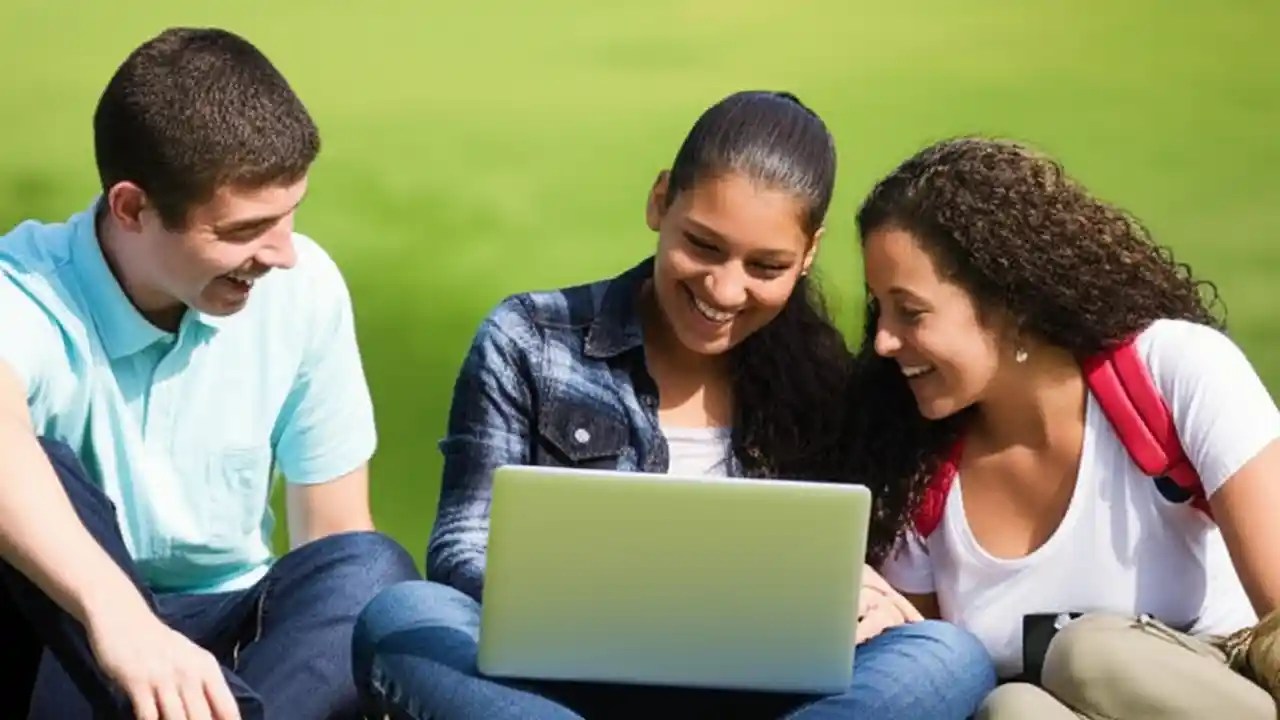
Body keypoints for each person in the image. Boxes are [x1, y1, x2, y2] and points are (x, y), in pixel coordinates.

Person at [352, 90, 996, 719]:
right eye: (704, 245)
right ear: (661, 200)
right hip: (556, 684)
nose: (724, 288)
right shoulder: (528, 338)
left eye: (765, 267)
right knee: (403, 619)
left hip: (763, 693)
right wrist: (599, 609)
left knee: (948, 657)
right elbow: (463, 543)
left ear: (809, 255)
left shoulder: (827, 381)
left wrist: (871, 603)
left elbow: (851, 563)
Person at [0, 27, 420, 719]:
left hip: (239, 647)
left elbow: (333, 540)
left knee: (369, 571)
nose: (281, 253)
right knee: (35, 473)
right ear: (132, 208)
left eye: (289, 216)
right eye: (243, 231)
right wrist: (121, 620)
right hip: (73, 632)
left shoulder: (304, 286)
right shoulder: (26, 286)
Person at [852, 136, 1280, 718]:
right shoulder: (913, 464)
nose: (883, 340)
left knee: (1088, 653)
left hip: (1227, 692)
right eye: (880, 309)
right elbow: (939, 675)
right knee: (1014, 711)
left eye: (912, 311)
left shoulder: (1174, 372)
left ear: (1011, 301)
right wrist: (881, 616)